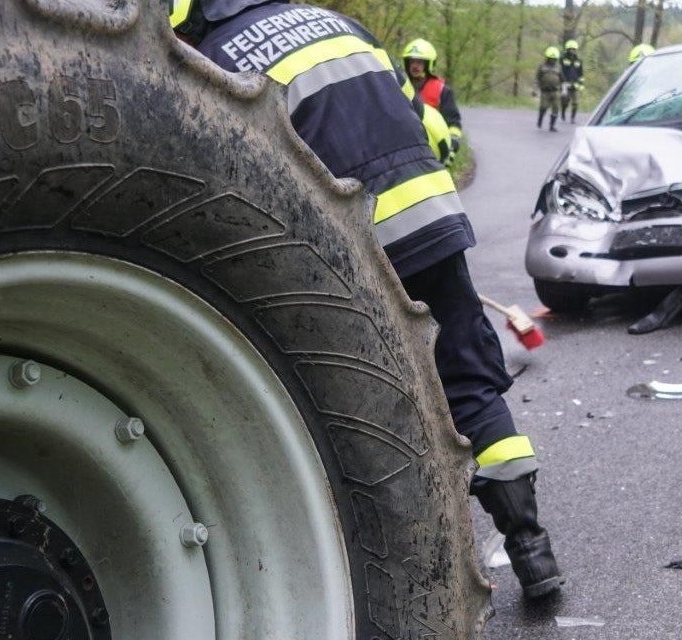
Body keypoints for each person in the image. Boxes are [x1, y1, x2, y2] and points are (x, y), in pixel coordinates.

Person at [170, 0, 564, 600]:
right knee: (469, 383)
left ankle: (397, 576)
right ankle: (533, 552)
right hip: (434, 217)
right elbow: (413, 118)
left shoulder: (213, 57)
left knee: (354, 401)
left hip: (350, 242)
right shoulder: (338, 23)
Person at [401, 38, 464, 158]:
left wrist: (452, 145)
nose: (415, 66)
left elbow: (453, 122)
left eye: (419, 62)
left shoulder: (442, 90)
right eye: (412, 62)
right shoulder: (399, 86)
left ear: (428, 64)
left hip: (432, 149)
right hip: (405, 147)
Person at [535, 46, 563, 131]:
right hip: (545, 91)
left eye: (554, 59)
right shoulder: (542, 66)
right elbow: (537, 78)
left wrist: (564, 90)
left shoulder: (558, 67)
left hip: (555, 91)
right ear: (547, 58)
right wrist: (535, 89)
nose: (552, 60)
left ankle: (552, 126)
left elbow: (562, 79)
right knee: (544, 107)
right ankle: (540, 119)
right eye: (551, 58)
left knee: (556, 108)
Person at [559, 39, 584, 124]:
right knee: (565, 101)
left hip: (575, 84)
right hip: (565, 84)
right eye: (571, 49)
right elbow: (560, 69)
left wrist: (581, 84)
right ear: (567, 49)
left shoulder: (579, 60)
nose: (572, 51)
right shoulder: (563, 59)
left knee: (575, 103)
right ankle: (563, 112)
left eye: (574, 49)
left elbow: (581, 73)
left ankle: (572, 118)